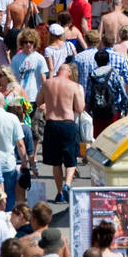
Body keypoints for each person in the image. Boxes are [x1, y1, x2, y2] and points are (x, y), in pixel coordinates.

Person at [35, 62, 84, 202]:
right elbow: (80, 108)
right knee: (71, 160)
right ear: (69, 73)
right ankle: (68, 184)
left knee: (56, 162)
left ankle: (60, 192)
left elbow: (39, 102)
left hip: (51, 123)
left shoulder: (47, 84)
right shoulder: (74, 86)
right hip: (67, 123)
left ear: (58, 71)